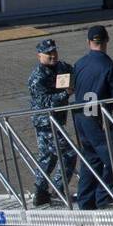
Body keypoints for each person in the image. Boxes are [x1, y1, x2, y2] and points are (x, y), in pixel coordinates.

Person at [71, 25, 113, 209]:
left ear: (89, 42)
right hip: (98, 120)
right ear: (107, 41)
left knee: (91, 159)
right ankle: (105, 196)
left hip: (80, 119)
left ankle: (85, 201)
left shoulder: (79, 64)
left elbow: (71, 88)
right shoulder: (109, 66)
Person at [27, 38, 77, 206]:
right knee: (69, 153)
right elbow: (44, 101)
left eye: (54, 52)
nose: (53, 55)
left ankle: (40, 193)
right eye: (48, 53)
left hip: (57, 119)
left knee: (48, 157)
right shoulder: (37, 77)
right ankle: (57, 191)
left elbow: (75, 71)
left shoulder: (61, 67)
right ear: (39, 56)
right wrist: (66, 94)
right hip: (46, 122)